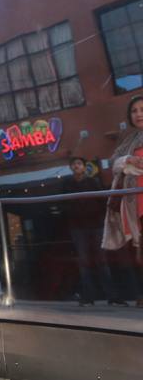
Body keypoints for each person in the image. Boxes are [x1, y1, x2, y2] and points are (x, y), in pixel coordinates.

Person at [62, 156, 127, 306]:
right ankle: (88, 296)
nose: (76, 166)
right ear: (71, 167)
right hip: (78, 226)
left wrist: (91, 213)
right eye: (74, 164)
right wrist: (72, 212)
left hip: (95, 225)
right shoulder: (66, 184)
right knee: (85, 262)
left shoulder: (93, 182)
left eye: (79, 164)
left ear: (84, 167)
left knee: (101, 261)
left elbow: (101, 201)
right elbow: (62, 203)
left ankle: (112, 296)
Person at [103, 95, 143, 308]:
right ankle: (141, 294)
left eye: (142, 109)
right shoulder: (128, 141)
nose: (139, 114)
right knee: (136, 250)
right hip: (131, 202)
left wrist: (127, 166)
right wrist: (127, 161)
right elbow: (111, 162)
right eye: (134, 110)